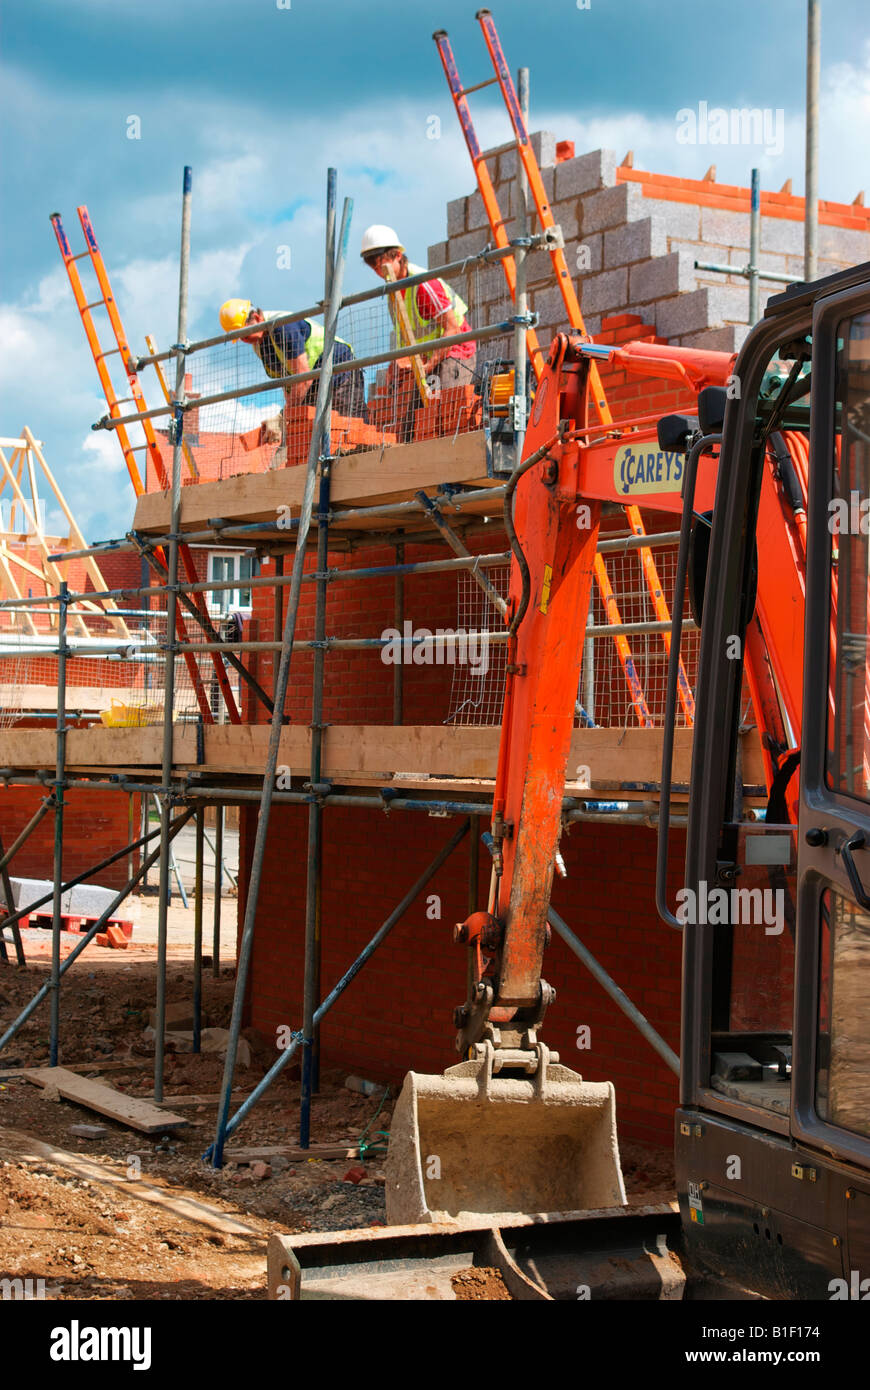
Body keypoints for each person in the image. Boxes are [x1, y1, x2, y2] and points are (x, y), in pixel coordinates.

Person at [359, 226, 476, 390]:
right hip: (428, 358)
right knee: (417, 412)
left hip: (455, 352)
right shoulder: (393, 292)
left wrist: (429, 366)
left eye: (383, 266)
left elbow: (452, 330)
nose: (379, 273)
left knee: (441, 406)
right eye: (375, 269)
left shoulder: (424, 284)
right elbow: (403, 334)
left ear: (398, 256)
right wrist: (395, 364)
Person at [218, 299, 366, 420]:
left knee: (347, 423)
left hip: (338, 367)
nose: (244, 340)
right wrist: (289, 412)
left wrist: (284, 416)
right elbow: (288, 381)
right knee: (305, 429)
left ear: (256, 318)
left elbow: (303, 378)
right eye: (240, 338)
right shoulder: (259, 344)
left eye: (245, 334)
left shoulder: (283, 327)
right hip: (313, 379)